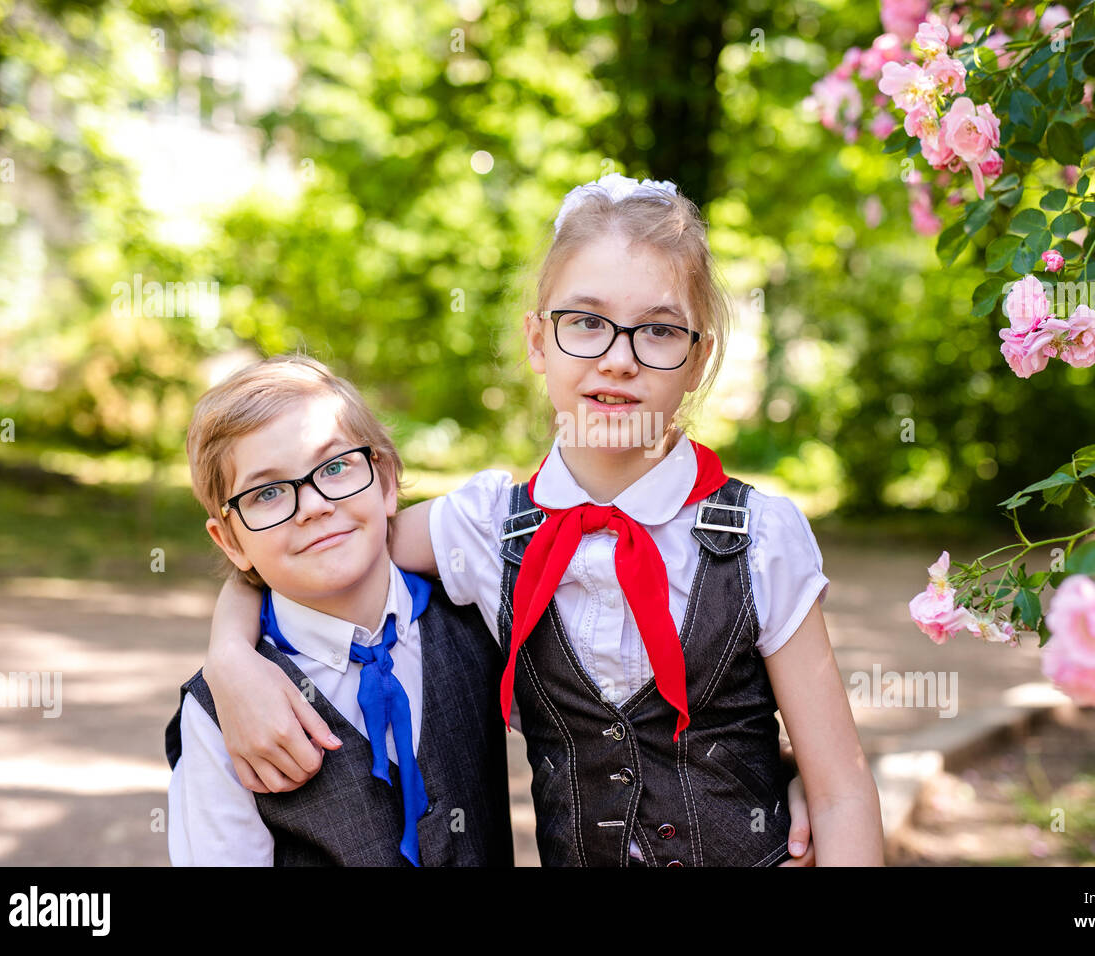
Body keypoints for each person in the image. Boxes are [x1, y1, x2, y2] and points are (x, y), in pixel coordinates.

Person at [203, 174, 884, 866]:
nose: (619, 359)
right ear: (537, 341)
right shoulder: (484, 526)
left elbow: (840, 794)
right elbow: (331, 541)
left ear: (697, 356)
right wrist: (230, 660)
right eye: (585, 323)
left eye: (657, 329)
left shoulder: (761, 537)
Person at [165, 355, 512, 866]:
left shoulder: (477, 617)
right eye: (267, 493)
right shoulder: (217, 713)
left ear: (386, 479)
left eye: (333, 467)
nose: (314, 506)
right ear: (231, 541)